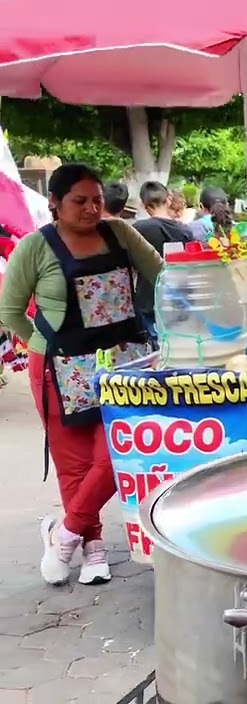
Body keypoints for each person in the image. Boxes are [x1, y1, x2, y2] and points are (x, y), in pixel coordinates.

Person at [0, 164, 163, 587]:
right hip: (59, 368)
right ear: (54, 202)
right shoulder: (35, 247)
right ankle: (91, 548)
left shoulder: (121, 234)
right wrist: (44, 342)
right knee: (73, 465)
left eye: (96, 200)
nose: (92, 208)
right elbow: (9, 310)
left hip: (125, 364)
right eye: (80, 201)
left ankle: (64, 532)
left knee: (116, 455)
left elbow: (164, 275)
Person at [131, 181, 194, 339]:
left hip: (149, 299)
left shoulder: (138, 230)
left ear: (145, 206)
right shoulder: (185, 231)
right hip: (180, 300)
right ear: (168, 200)